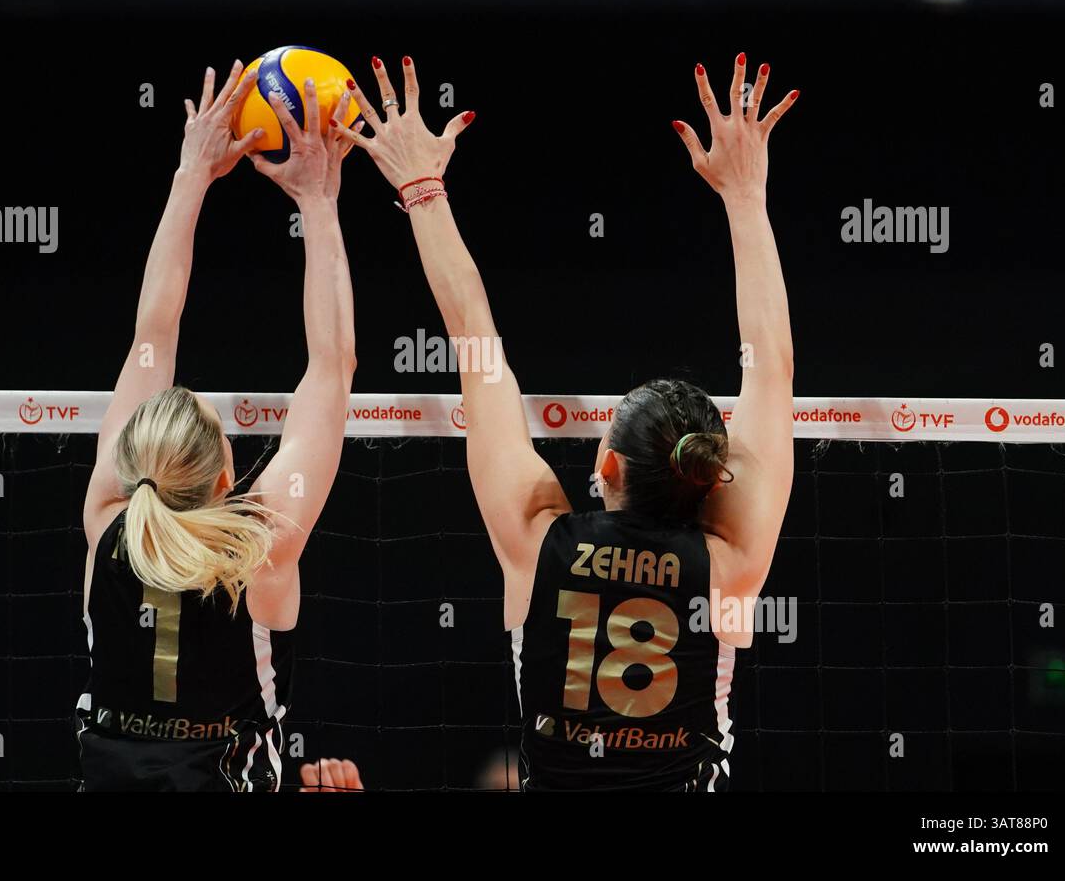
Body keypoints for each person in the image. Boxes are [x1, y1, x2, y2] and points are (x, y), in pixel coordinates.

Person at [336, 53, 797, 791]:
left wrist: (421, 188)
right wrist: (747, 194)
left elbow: (475, 341)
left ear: (607, 466)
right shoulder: (731, 566)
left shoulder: (537, 537)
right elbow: (771, 366)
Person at [76, 64, 361, 791]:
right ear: (229, 479)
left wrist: (189, 174)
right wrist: (317, 198)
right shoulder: (261, 551)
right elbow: (332, 366)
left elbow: (152, 332)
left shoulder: (107, 521)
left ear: (136, 459)